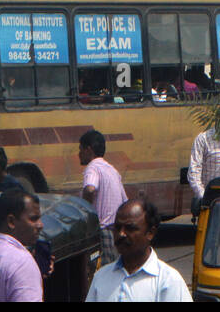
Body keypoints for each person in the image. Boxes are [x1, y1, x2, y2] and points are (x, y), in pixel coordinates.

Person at [86, 199, 191, 302]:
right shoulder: (101, 277)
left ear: (150, 233)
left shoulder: (168, 281)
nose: (121, 234)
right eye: (117, 227)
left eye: (130, 228)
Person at [79, 129, 128, 264]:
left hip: (103, 231)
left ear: (88, 150)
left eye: (80, 149)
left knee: (105, 272)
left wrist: (85, 211)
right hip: (117, 230)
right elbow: (125, 201)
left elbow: (90, 189)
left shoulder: (92, 167)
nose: (79, 154)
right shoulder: (112, 170)